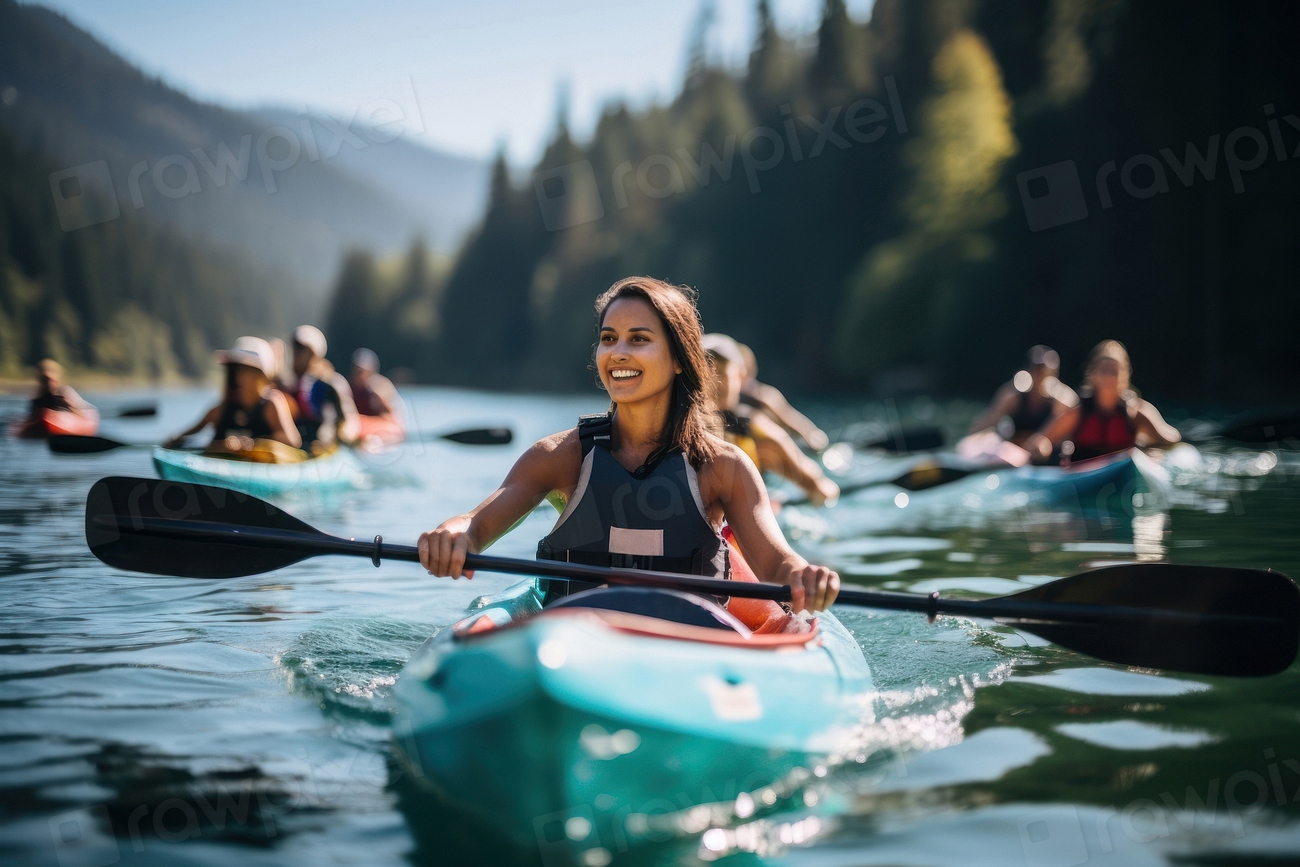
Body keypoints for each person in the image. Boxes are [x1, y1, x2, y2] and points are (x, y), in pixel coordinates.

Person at [417, 276, 840, 616]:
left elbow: (777, 564)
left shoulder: (723, 467)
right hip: (573, 642)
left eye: (638, 339)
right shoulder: (559, 457)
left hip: (692, 648)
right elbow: (476, 527)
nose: (617, 353)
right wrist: (452, 535)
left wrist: (805, 577)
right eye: (609, 338)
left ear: (679, 359)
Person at [706, 334, 840, 507]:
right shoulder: (680, 425)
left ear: (741, 375)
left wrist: (817, 446)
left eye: (721, 373)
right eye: (705, 372)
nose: (713, 382)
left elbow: (821, 489)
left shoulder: (756, 426)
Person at [1025, 340, 1181, 464]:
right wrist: (1041, 447)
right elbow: (1040, 438)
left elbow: (1171, 438)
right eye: (1104, 370)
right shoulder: (1079, 413)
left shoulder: (1136, 411)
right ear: (1092, 374)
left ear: (1124, 375)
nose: (1108, 377)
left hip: (1123, 472)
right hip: (1085, 475)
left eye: (1113, 371)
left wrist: (1151, 445)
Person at [163, 337, 301, 453]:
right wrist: (173, 440)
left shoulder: (271, 405)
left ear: (261, 376)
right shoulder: (222, 410)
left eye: (246, 371)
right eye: (236, 370)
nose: (238, 377)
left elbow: (293, 442)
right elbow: (187, 433)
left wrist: (249, 445)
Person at [966, 345, 1077, 446]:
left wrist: (1039, 439)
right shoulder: (1014, 395)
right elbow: (991, 419)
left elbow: (1073, 417)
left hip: (1046, 450)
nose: (1041, 377)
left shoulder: (1061, 399)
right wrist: (969, 439)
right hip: (1016, 449)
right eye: (1037, 371)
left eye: (1044, 373)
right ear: (1030, 371)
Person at [732, 343, 830, 451]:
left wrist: (813, 438)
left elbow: (792, 420)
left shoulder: (763, 396)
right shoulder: (734, 402)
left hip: (788, 446)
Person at [288, 325, 359, 452]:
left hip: (322, 445)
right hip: (297, 445)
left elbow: (350, 421)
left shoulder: (332, 382)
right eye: (295, 347)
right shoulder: (287, 384)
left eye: (301, 348)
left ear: (314, 354)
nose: (296, 353)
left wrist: (336, 442)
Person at [349, 348, 406, 445]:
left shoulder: (378, 388)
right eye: (356, 371)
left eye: (361, 371)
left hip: (386, 429)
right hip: (360, 427)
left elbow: (393, 419)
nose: (358, 375)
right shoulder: (352, 387)